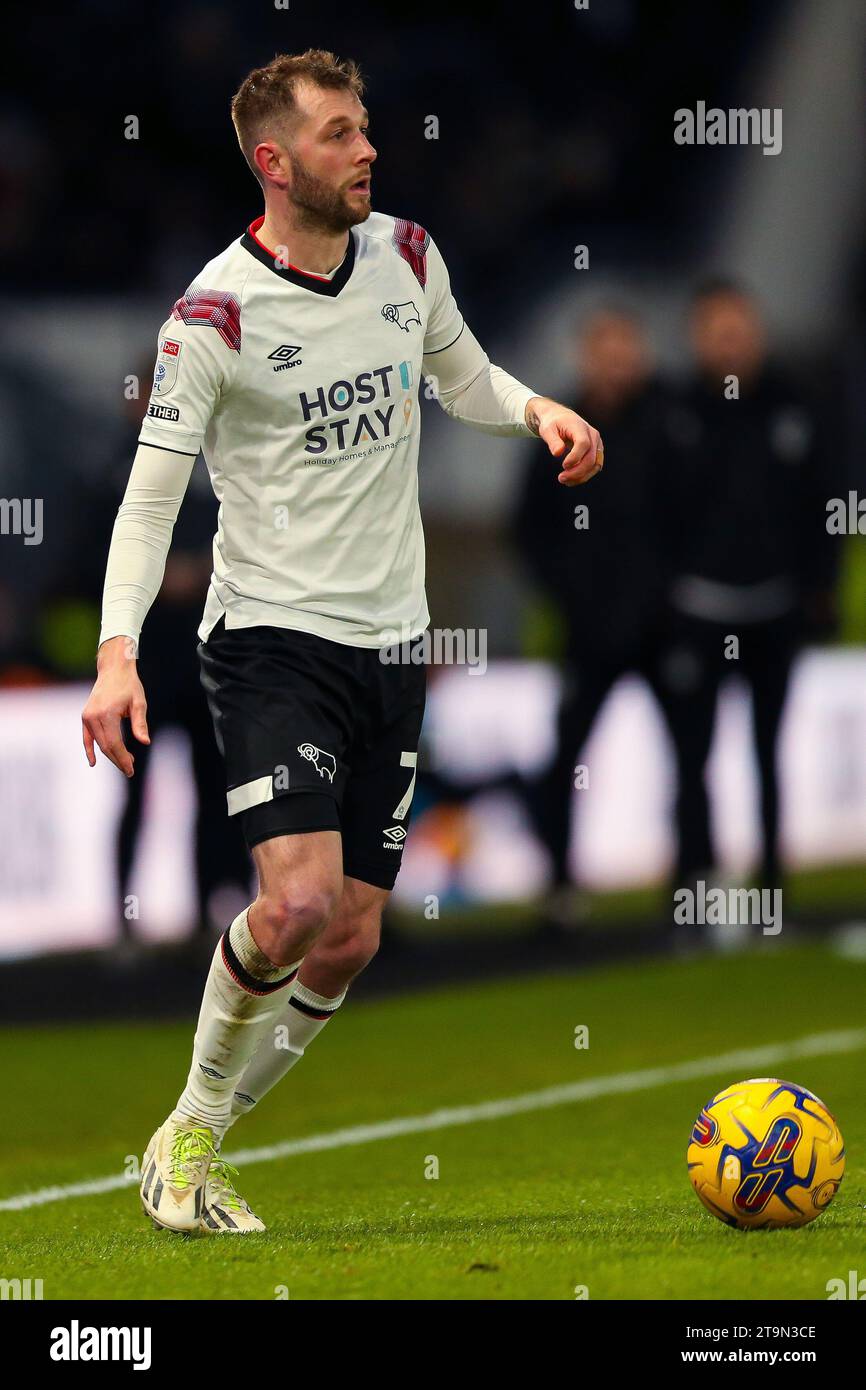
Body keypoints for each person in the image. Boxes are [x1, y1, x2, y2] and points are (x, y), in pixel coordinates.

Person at [81, 49, 604, 1234]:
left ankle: (189, 1140)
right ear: (273, 163)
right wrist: (118, 654)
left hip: (391, 641)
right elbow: (149, 502)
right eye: (335, 135)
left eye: (363, 128)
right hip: (269, 639)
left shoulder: (406, 257)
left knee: (353, 933)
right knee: (298, 902)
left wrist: (534, 407)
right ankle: (195, 1128)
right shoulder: (211, 315)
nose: (366, 149)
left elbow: (459, 377)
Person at [659, 279, 839, 897]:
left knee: (768, 749)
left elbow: (825, 505)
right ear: (698, 337)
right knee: (691, 754)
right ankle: (693, 883)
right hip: (696, 610)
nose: (731, 342)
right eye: (718, 330)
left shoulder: (796, 405)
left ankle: (771, 886)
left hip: (775, 607)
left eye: (740, 328)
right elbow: (649, 517)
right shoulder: (674, 412)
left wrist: (821, 589)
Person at [513, 309, 669, 911]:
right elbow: (527, 529)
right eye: (606, 350)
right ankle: (559, 889)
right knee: (566, 756)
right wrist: (573, 593)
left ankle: (692, 885)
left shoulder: (666, 420)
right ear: (586, 357)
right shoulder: (557, 428)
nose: (618, 363)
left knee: (691, 751)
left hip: (661, 625)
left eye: (626, 349)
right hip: (589, 629)